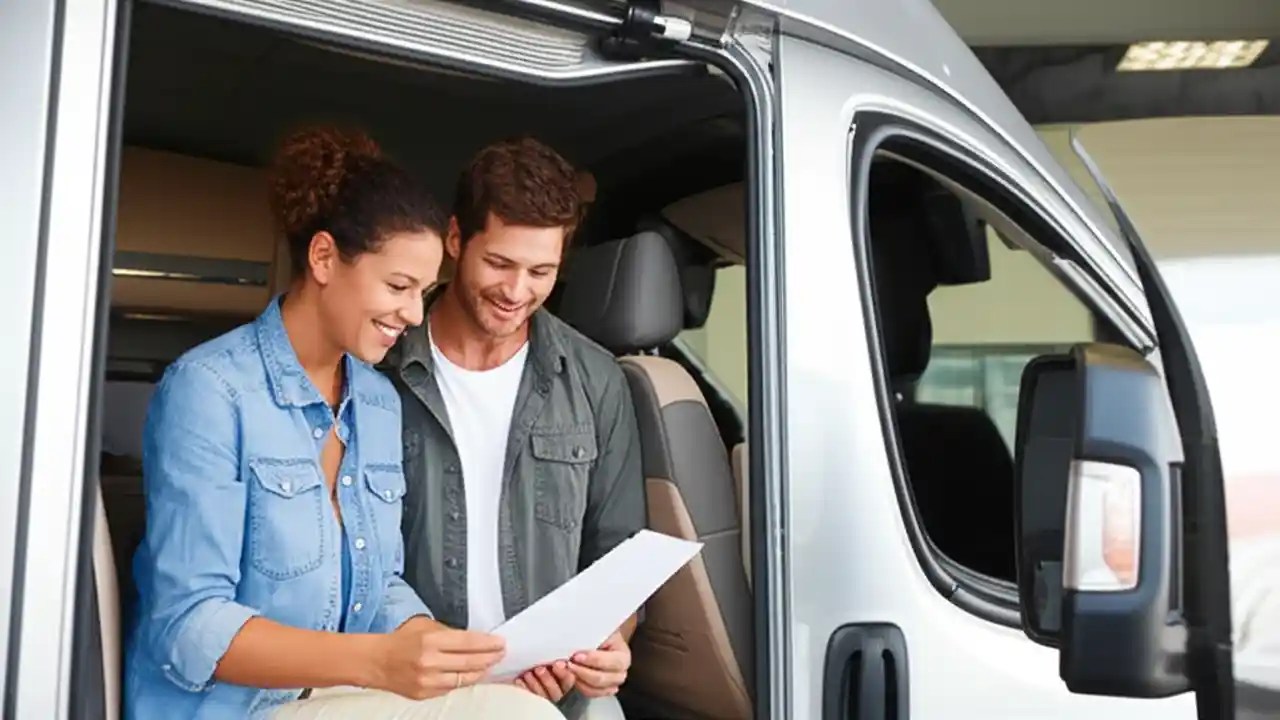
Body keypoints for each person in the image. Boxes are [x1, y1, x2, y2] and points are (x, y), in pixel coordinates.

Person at [122, 126, 564, 720]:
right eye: (399, 287)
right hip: (234, 709)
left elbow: (379, 585)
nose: (413, 315)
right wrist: (375, 661)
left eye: (424, 291)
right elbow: (187, 623)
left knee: (516, 706)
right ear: (325, 258)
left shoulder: (378, 403)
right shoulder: (211, 391)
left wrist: (428, 644)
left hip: (340, 698)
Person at [381, 137, 645, 720]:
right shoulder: (381, 366)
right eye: (499, 263)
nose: (516, 291)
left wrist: (609, 641)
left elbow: (617, 554)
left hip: (560, 690)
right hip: (412, 694)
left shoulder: (597, 380)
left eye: (541, 271)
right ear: (455, 240)